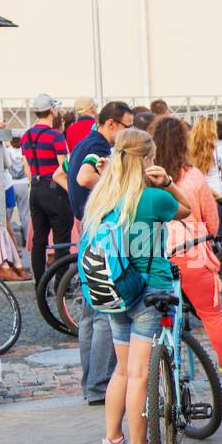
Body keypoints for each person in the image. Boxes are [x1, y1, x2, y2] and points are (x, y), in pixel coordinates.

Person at [82, 127, 192, 444]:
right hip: (149, 289)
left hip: (113, 289)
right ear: (146, 160)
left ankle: (112, 440)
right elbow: (187, 210)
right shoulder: (152, 198)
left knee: (123, 371)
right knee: (141, 373)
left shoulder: (102, 196)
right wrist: (167, 181)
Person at [151, 116, 222, 395]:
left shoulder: (144, 178)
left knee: (155, 321)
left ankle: (156, 380)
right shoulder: (193, 177)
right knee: (211, 316)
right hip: (192, 252)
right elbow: (212, 224)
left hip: (156, 256)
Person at [66, 101, 135, 404]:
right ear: (111, 124)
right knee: (105, 313)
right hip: (102, 232)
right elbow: (83, 177)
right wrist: (116, 189)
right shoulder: (99, 147)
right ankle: (98, 385)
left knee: (89, 315)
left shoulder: (83, 142)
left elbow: (63, 174)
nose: (129, 131)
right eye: (126, 125)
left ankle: (90, 383)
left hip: (88, 229)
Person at [20, 94, 73, 283]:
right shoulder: (56, 136)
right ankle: (62, 283)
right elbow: (63, 166)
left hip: (35, 189)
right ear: (51, 110)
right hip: (55, 190)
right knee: (62, 241)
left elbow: (27, 168)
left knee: (39, 241)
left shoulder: (26, 135)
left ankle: (40, 285)